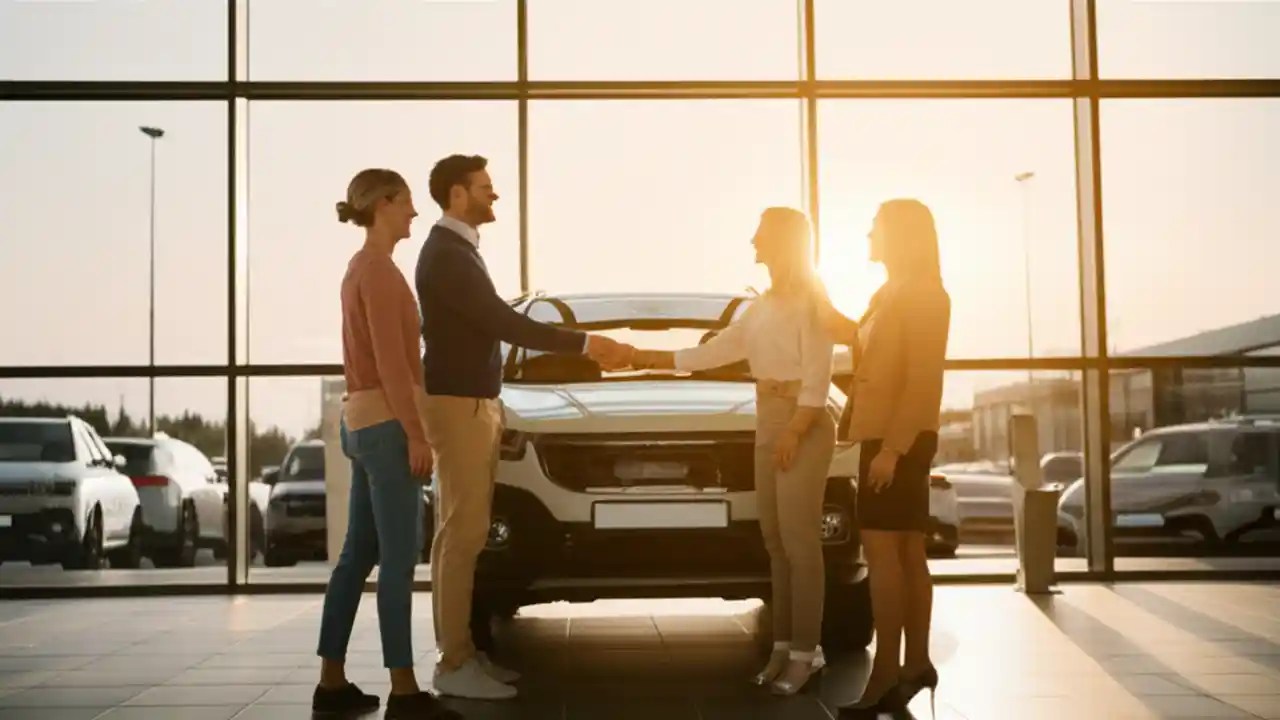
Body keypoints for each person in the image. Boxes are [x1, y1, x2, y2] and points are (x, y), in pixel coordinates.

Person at [415, 154, 631, 700]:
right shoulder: (447, 254)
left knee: (461, 534)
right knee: (461, 538)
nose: (495, 196)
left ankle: (464, 652)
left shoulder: (458, 251)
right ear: (457, 195)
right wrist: (584, 343)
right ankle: (454, 662)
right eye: (485, 188)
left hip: (473, 402)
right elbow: (501, 321)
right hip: (460, 405)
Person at [631, 207, 835, 697]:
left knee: (802, 544)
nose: (752, 241)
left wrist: (796, 429)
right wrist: (642, 356)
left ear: (784, 240)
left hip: (801, 422)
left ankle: (807, 655)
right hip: (768, 417)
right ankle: (785, 648)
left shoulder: (812, 299)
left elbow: (819, 373)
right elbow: (711, 353)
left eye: (761, 233)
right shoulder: (760, 306)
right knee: (776, 542)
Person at [315, 168, 460, 720]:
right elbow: (394, 363)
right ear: (381, 204)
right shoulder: (377, 271)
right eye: (405, 203)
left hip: (362, 423)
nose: (413, 213)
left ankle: (331, 682)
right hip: (386, 426)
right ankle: (404, 691)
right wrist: (416, 433)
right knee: (398, 561)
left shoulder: (363, 268)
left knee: (359, 556)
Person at [821, 199, 951, 715]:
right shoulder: (890, 293)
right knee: (906, 555)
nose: (868, 234)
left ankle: (887, 674)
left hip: (900, 439)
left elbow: (923, 379)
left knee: (886, 559)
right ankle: (913, 664)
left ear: (900, 235)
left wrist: (892, 450)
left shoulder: (925, 294)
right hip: (887, 437)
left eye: (876, 227)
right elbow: (871, 348)